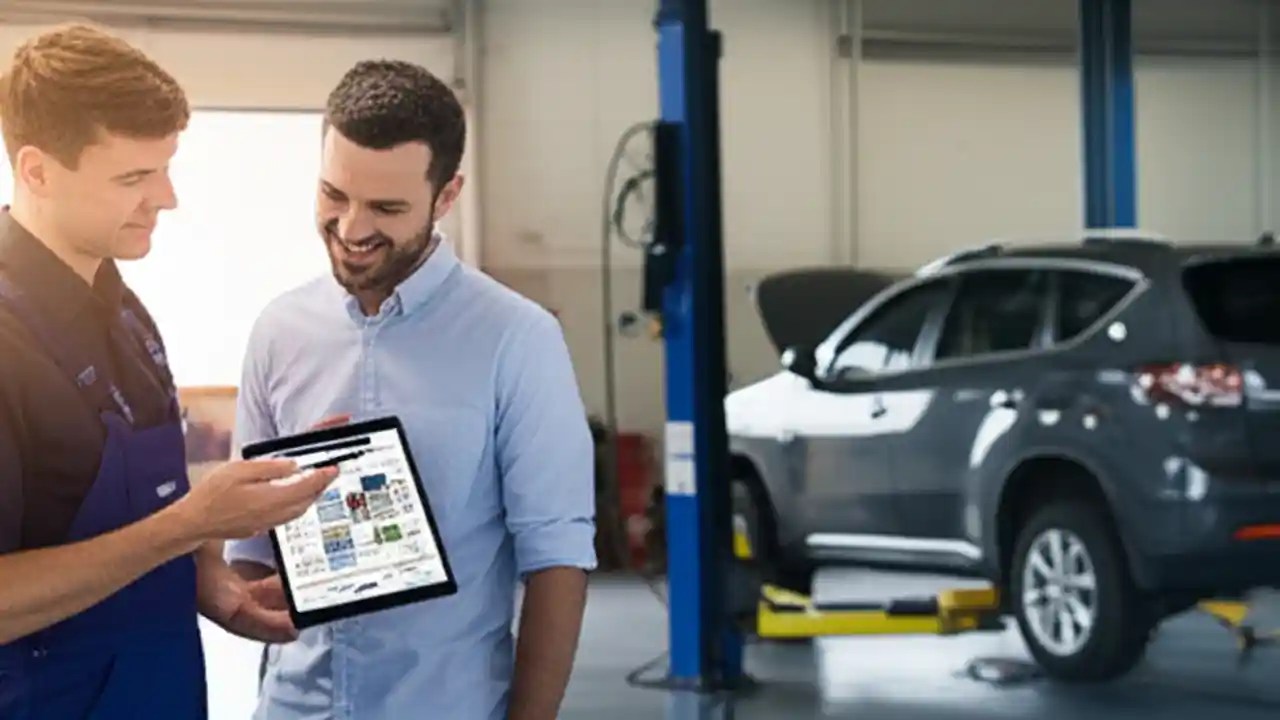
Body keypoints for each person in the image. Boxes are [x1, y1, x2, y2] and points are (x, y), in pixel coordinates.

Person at [226, 60, 597, 720]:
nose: (351, 228)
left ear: (446, 195)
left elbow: (557, 562)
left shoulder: (516, 339)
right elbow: (250, 548)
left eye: (387, 208)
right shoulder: (279, 331)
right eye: (333, 195)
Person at [0, 23, 339, 719]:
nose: (167, 197)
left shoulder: (130, 317)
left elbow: (141, 513)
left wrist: (204, 579)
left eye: (165, 166)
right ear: (36, 171)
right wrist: (188, 526)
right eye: (133, 176)